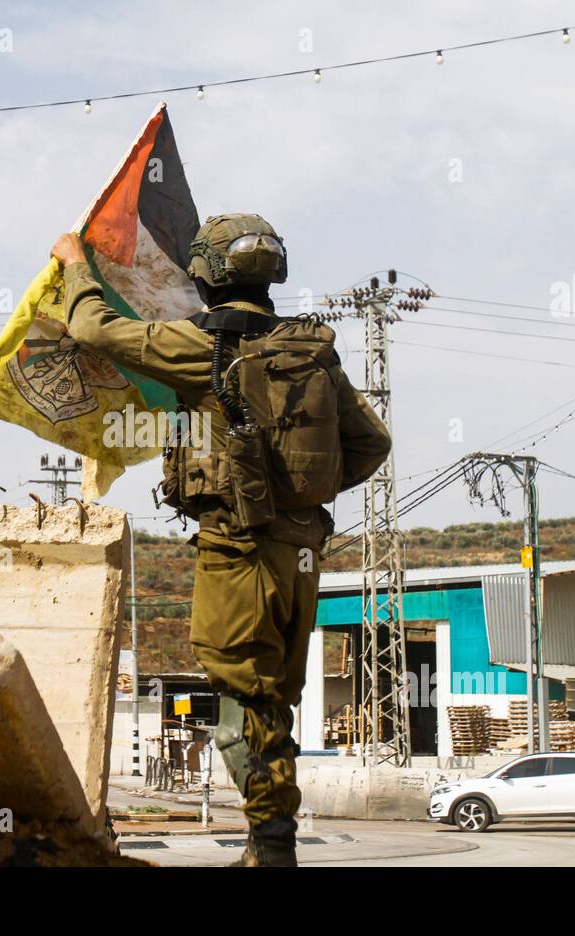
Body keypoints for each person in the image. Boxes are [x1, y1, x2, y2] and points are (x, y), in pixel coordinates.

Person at [52, 214, 390, 866]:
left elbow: (95, 328)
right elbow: (371, 443)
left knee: (239, 699)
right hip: (301, 552)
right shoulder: (310, 350)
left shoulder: (203, 346)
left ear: (206, 273)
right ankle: (271, 844)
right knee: (273, 703)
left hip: (237, 548)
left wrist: (72, 262)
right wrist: (296, 491)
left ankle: (271, 848)